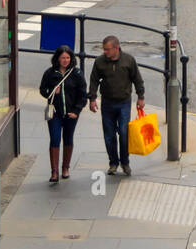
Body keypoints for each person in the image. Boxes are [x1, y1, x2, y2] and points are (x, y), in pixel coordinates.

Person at [87, 36, 145, 177]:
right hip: (107, 103)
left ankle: (125, 162)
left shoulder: (128, 60)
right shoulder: (100, 62)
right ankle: (113, 163)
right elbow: (94, 80)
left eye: (107, 49)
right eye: (104, 49)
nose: (105, 52)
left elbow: (137, 79)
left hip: (124, 102)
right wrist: (92, 98)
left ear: (116, 48)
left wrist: (140, 97)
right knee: (109, 135)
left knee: (124, 134)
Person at [39, 44, 87, 184]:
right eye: (62, 58)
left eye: (67, 57)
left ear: (71, 58)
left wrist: (76, 111)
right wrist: (52, 91)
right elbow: (42, 90)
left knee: (68, 138)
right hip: (54, 113)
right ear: (57, 59)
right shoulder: (50, 73)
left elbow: (82, 94)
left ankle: (65, 168)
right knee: (54, 139)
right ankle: (54, 171)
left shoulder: (76, 74)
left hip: (71, 114)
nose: (65, 60)